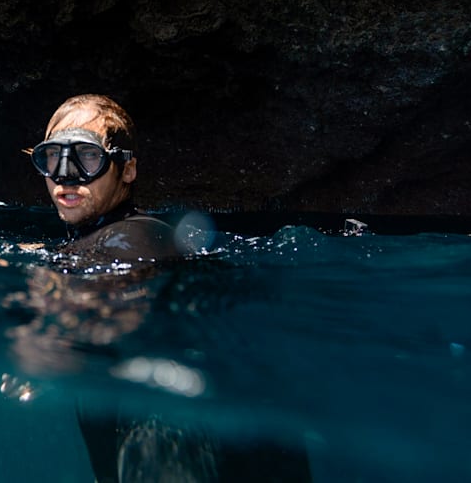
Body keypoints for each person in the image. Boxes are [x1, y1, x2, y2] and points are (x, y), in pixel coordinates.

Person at [27, 94, 312, 483]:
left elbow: (103, 311)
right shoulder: (124, 237)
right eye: (51, 158)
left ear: (127, 170)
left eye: (87, 157)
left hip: (177, 424)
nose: (65, 174)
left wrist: (49, 330)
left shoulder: (132, 241)